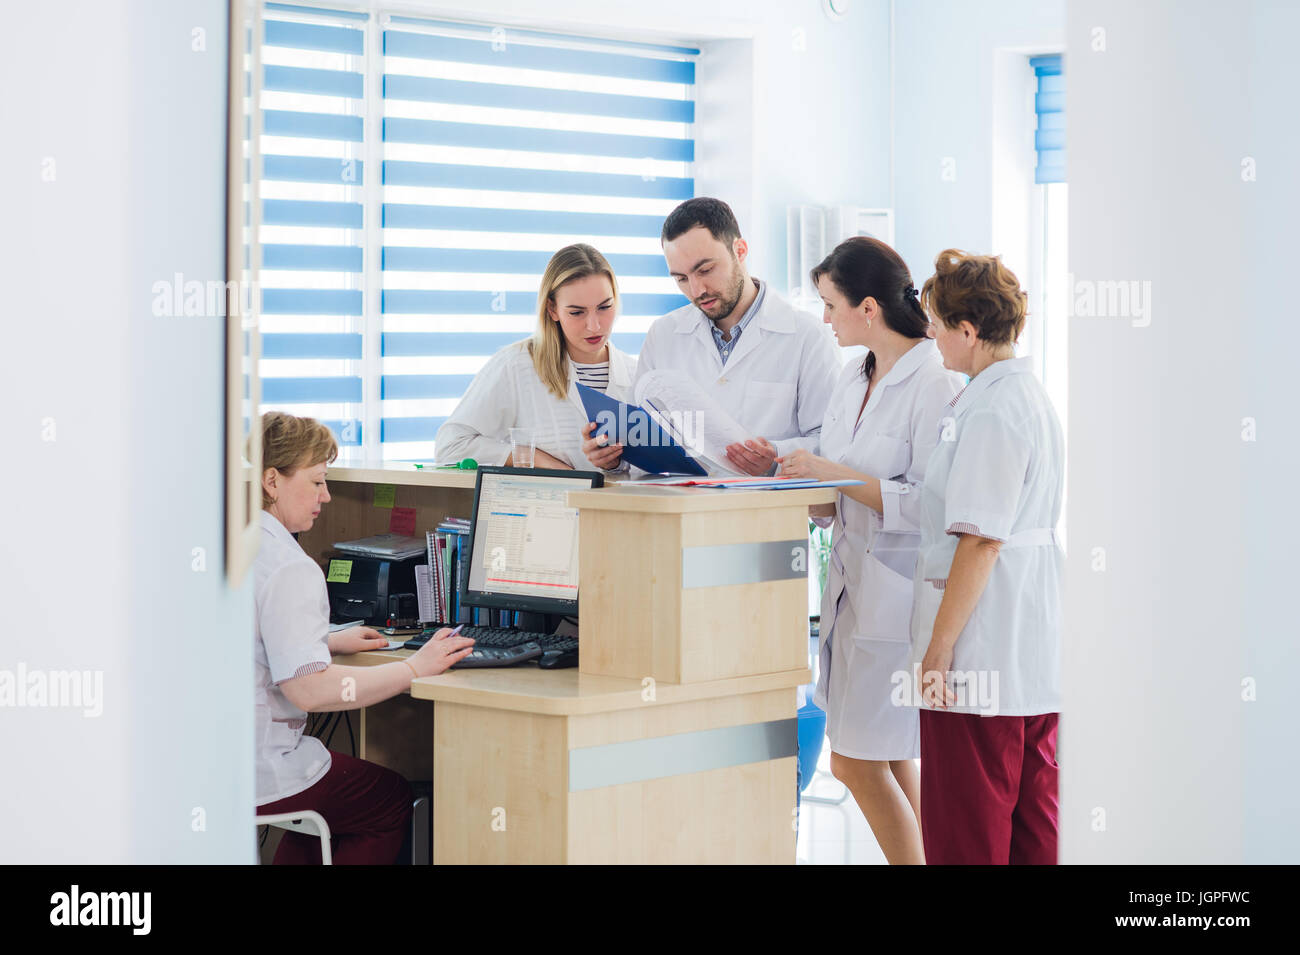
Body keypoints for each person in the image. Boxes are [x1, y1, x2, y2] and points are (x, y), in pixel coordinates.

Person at [776, 237, 962, 864]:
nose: (824, 319)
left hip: (901, 598)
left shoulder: (933, 381)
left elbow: (930, 505)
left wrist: (828, 470)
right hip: (852, 588)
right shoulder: (850, 376)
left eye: (831, 305)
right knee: (888, 757)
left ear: (868, 308)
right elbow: (836, 496)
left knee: (855, 762)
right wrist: (797, 479)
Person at [254, 411, 476, 864]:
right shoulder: (291, 566)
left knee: (334, 806)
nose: (327, 496)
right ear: (272, 481)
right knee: (388, 800)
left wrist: (327, 640)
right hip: (259, 768)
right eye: (316, 482)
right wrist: (414, 667)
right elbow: (310, 690)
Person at [910, 249, 1065, 865]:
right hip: (1027, 649)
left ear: (967, 331)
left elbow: (980, 538)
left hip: (979, 654)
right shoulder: (1024, 395)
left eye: (937, 323)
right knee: (1033, 821)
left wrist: (939, 650)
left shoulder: (992, 409)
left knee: (965, 829)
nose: (931, 335)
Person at [585, 197, 839, 474]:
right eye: (681, 278)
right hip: (683, 510)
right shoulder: (664, 334)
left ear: (740, 250)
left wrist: (777, 457)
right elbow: (641, 438)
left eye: (705, 270)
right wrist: (614, 456)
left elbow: (831, 443)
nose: (696, 290)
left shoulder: (808, 336)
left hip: (765, 510)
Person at [436, 243, 636, 472]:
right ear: (552, 309)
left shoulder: (637, 375)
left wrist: (615, 463)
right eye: (577, 312)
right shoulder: (516, 365)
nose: (594, 325)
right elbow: (451, 445)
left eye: (604, 307)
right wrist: (536, 458)